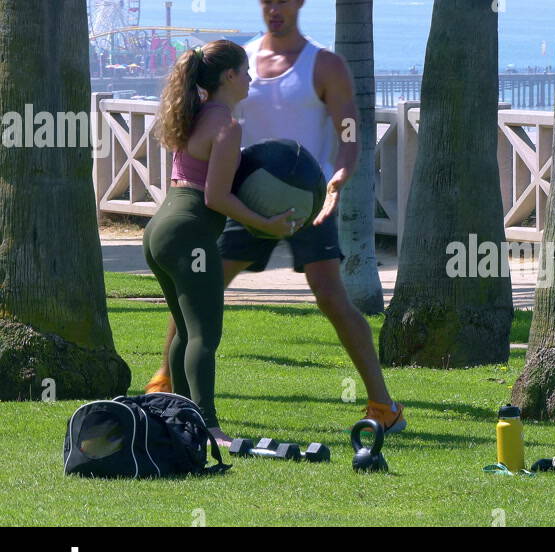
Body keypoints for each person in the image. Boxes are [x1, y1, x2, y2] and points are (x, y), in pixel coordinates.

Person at [145, 0, 406, 440]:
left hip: (306, 200)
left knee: (331, 297)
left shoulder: (323, 63)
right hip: (240, 195)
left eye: (283, 0)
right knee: (200, 298)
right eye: (267, 0)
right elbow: (215, 146)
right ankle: (168, 388)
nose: (274, 8)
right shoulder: (240, 61)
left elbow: (347, 127)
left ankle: (383, 405)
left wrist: (341, 171)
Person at [145, 40, 301, 444]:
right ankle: (208, 426)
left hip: (162, 227)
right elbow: (216, 198)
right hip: (191, 231)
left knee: (184, 330)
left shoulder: (194, 115)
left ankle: (176, 418)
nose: (250, 78)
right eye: (245, 70)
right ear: (228, 76)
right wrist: (267, 224)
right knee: (204, 335)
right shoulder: (227, 126)